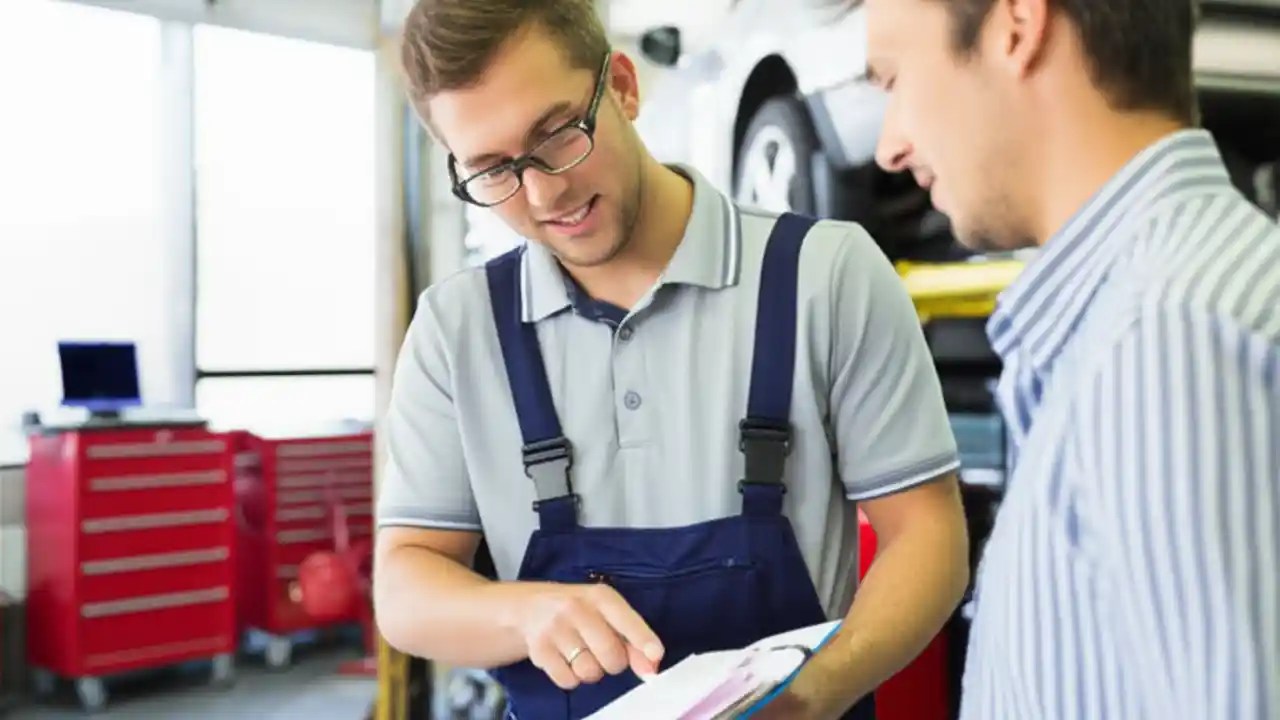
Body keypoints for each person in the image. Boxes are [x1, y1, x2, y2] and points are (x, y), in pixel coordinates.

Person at [373, 0, 972, 717]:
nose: (543, 193)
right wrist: (524, 616)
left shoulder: (826, 276)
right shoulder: (455, 330)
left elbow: (929, 537)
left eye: (559, 134)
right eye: (493, 170)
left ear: (622, 86)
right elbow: (406, 586)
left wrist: (810, 696)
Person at [863, 0, 1280, 718]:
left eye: (895, 77)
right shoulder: (1141, 326)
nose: (887, 148)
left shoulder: (1165, 351)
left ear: (1018, 26)